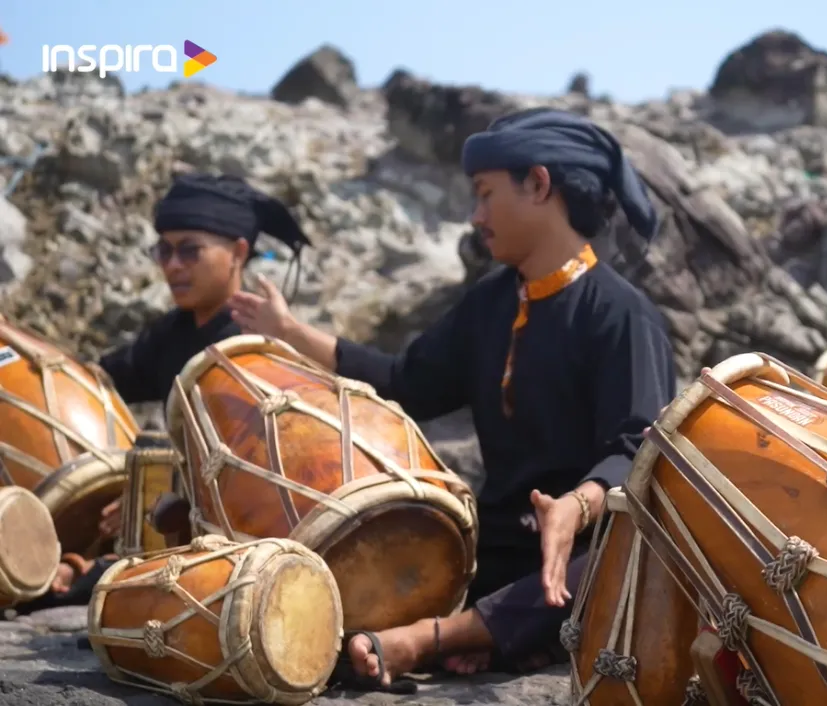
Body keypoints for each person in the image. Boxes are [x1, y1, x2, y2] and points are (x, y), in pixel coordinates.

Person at [229, 108, 677, 690]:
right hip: (499, 546)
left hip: (584, 551)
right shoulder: (488, 305)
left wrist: (576, 506)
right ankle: (480, 634)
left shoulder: (622, 316)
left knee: (607, 575)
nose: (476, 216)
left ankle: (430, 640)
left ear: (539, 185)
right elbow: (404, 380)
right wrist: (290, 331)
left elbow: (636, 450)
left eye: (487, 195)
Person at [25, 173, 311, 613]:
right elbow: (98, 379)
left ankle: (81, 572)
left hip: (236, 530)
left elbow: (256, 466)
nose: (172, 265)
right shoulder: (170, 333)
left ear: (238, 252)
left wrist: (159, 492)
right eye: (164, 249)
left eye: (189, 249)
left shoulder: (253, 343)